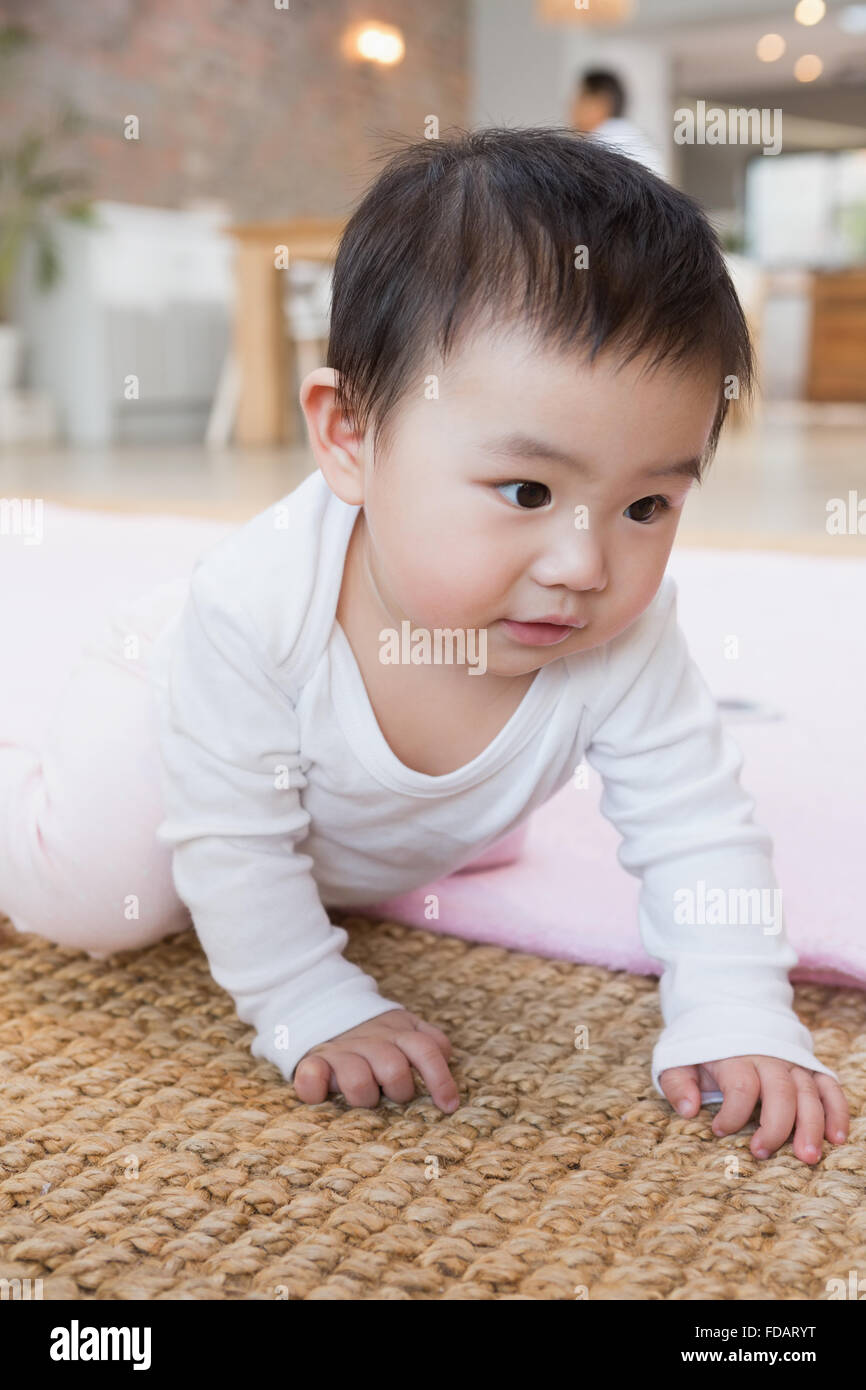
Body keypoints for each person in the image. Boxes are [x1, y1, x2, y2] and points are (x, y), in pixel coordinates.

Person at [0, 128, 848, 1165]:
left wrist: (736, 1009)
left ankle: (398, 819)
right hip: (174, 709)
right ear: (349, 436)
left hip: (344, 801)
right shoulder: (250, 611)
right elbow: (234, 836)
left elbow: (697, 827)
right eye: (526, 491)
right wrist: (307, 997)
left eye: (645, 503)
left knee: (426, 842)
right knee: (95, 900)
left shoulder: (624, 634)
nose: (581, 564)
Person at [572, 68, 666, 178]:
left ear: (601, 103)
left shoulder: (604, 144)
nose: (573, 108)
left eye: (580, 98)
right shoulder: (628, 136)